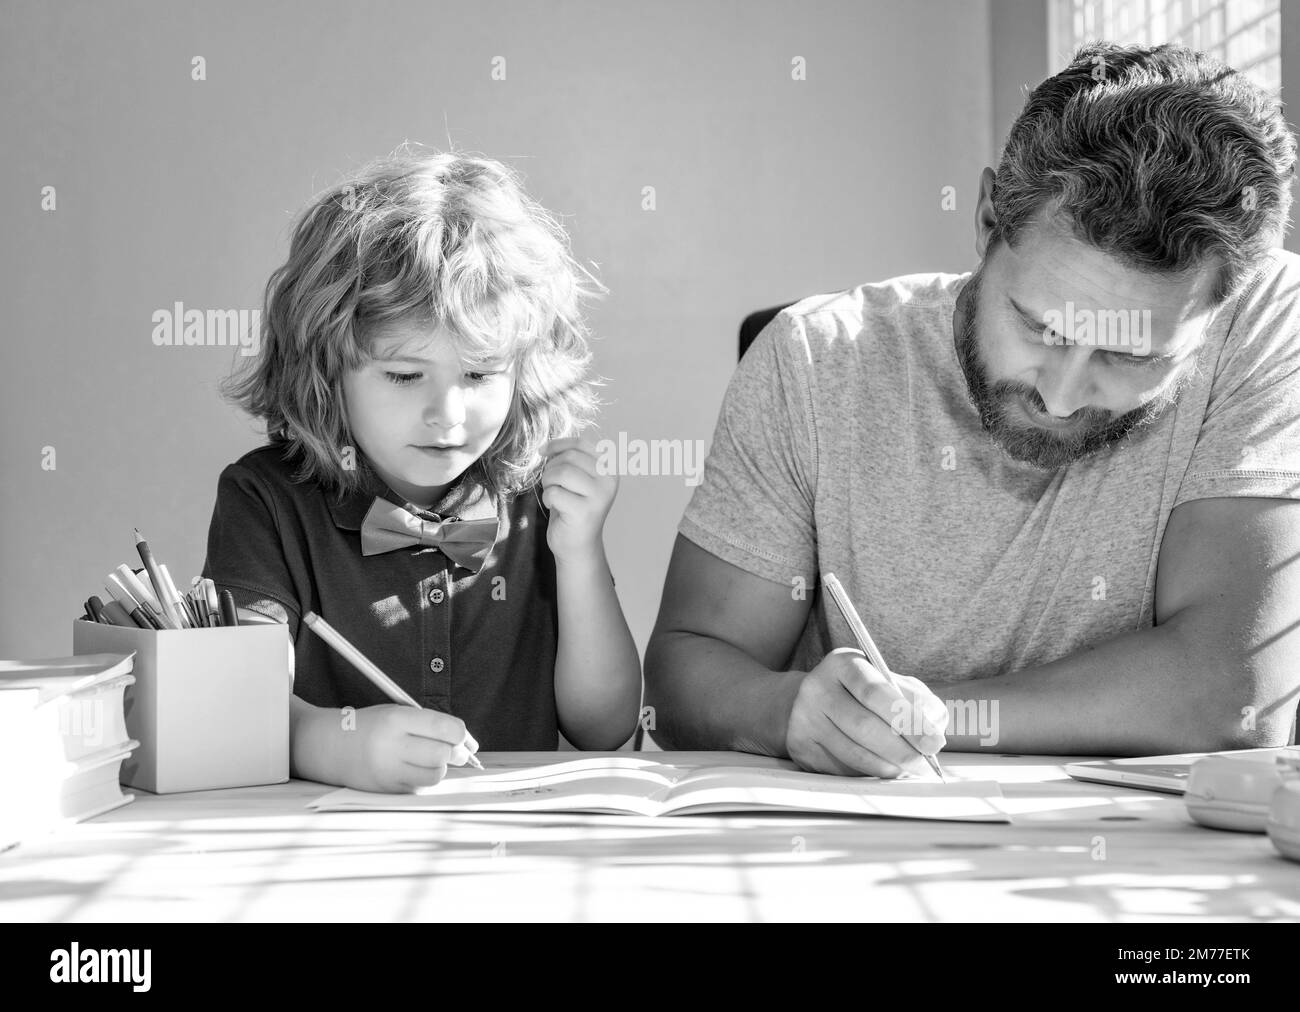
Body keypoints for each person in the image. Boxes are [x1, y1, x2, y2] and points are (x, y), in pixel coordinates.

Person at [646, 43, 1300, 775]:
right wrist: (788, 713)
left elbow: (1233, 695)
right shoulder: (813, 355)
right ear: (988, 220)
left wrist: (918, 719)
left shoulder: (1268, 316)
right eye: (1040, 328)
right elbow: (684, 675)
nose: (1059, 395)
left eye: (1132, 356)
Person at [205, 146, 641, 793]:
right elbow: (236, 706)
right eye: (406, 375)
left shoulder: (539, 501)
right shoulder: (264, 500)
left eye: (480, 374)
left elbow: (604, 726)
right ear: (326, 367)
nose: (447, 414)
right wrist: (333, 744)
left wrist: (579, 553)